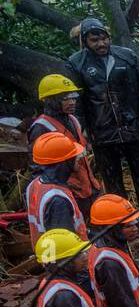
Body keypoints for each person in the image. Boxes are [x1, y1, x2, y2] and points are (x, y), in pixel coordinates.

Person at [65, 18, 139, 230]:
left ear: (109, 37)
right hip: (102, 130)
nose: (100, 43)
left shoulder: (127, 56)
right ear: (85, 41)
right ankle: (121, 222)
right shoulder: (76, 63)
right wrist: (80, 133)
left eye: (103, 38)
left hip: (132, 124)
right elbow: (78, 101)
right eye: (94, 39)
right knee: (112, 178)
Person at [27, 75, 101, 217]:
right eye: (65, 98)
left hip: (88, 188)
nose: (72, 102)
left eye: (73, 97)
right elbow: (37, 168)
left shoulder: (73, 120)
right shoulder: (41, 127)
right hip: (67, 191)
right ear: (50, 100)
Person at [26, 131, 91, 252]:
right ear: (62, 161)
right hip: (72, 264)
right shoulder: (57, 201)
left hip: (49, 256)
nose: (78, 158)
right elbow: (66, 249)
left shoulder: (34, 185)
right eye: (73, 156)